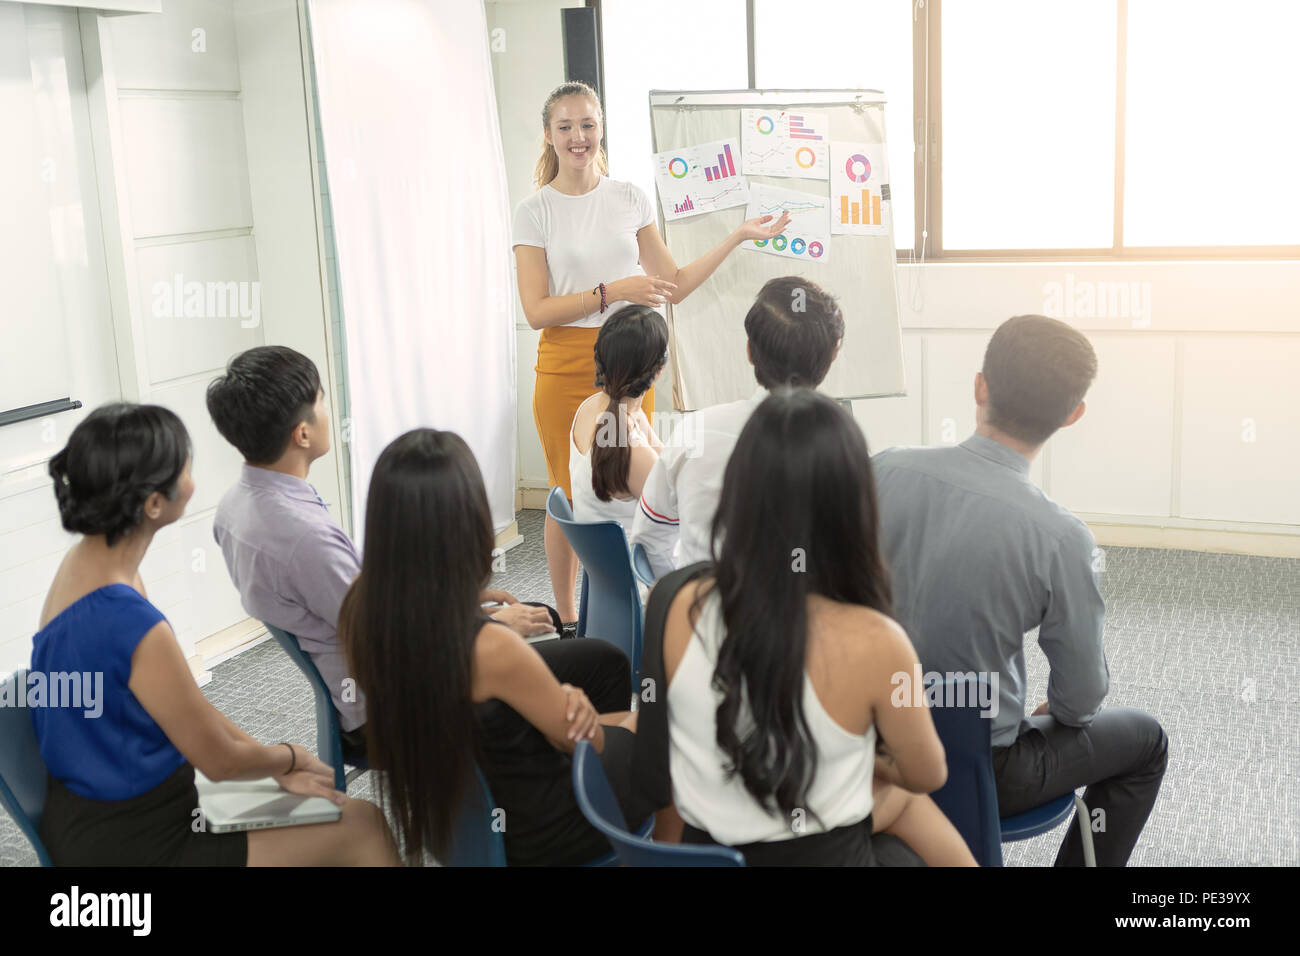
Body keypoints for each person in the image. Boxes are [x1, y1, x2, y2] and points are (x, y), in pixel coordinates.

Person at [30, 403, 397, 866]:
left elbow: (190, 709)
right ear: (154, 504)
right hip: (139, 845)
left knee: (327, 816)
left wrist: (270, 763)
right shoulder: (131, 622)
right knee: (364, 827)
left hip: (89, 818)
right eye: (185, 463)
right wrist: (288, 758)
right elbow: (219, 762)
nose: (192, 471)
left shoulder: (84, 569)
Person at [872, 314, 1169, 866]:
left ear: (980, 385)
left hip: (860, 750)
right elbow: (1080, 700)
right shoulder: (1062, 538)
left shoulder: (881, 470)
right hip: (982, 770)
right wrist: (1053, 711)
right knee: (1146, 741)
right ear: (1073, 415)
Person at [646, 389, 976, 866]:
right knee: (909, 798)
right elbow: (926, 772)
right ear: (853, 507)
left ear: (739, 491)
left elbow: (666, 754)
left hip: (706, 849)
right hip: (819, 854)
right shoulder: (879, 642)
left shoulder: (673, 600)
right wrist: (864, 751)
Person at [512, 79, 792, 635]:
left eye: (588, 124)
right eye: (565, 126)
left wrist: (737, 236)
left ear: (601, 129)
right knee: (567, 491)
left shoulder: (628, 197)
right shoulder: (534, 211)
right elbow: (537, 309)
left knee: (640, 485)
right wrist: (613, 291)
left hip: (630, 358)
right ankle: (571, 618)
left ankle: (641, 596)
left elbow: (674, 285)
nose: (578, 137)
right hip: (566, 363)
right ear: (548, 135)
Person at [207, 346, 553, 761]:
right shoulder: (305, 538)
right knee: (567, 658)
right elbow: (393, 635)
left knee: (534, 624)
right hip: (390, 705)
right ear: (302, 434)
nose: (327, 409)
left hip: (365, 672)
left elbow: (360, 597)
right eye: (320, 399)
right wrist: (488, 627)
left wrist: (455, 598)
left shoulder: (235, 505)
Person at [339, 428, 649, 866]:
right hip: (539, 829)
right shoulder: (493, 649)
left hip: (455, 818)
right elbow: (587, 740)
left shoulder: (361, 609)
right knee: (665, 739)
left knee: (616, 696)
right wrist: (574, 710)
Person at [631, 276, 843, 578]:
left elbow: (649, 540)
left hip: (700, 617)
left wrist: (681, 600)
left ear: (749, 351)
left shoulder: (697, 432)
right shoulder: (846, 450)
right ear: (832, 356)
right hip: (804, 621)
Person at [569, 304, 669, 540]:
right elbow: (682, 511)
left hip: (606, 569)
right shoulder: (631, 449)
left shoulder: (590, 408)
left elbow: (663, 461)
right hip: (642, 572)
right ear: (657, 371)